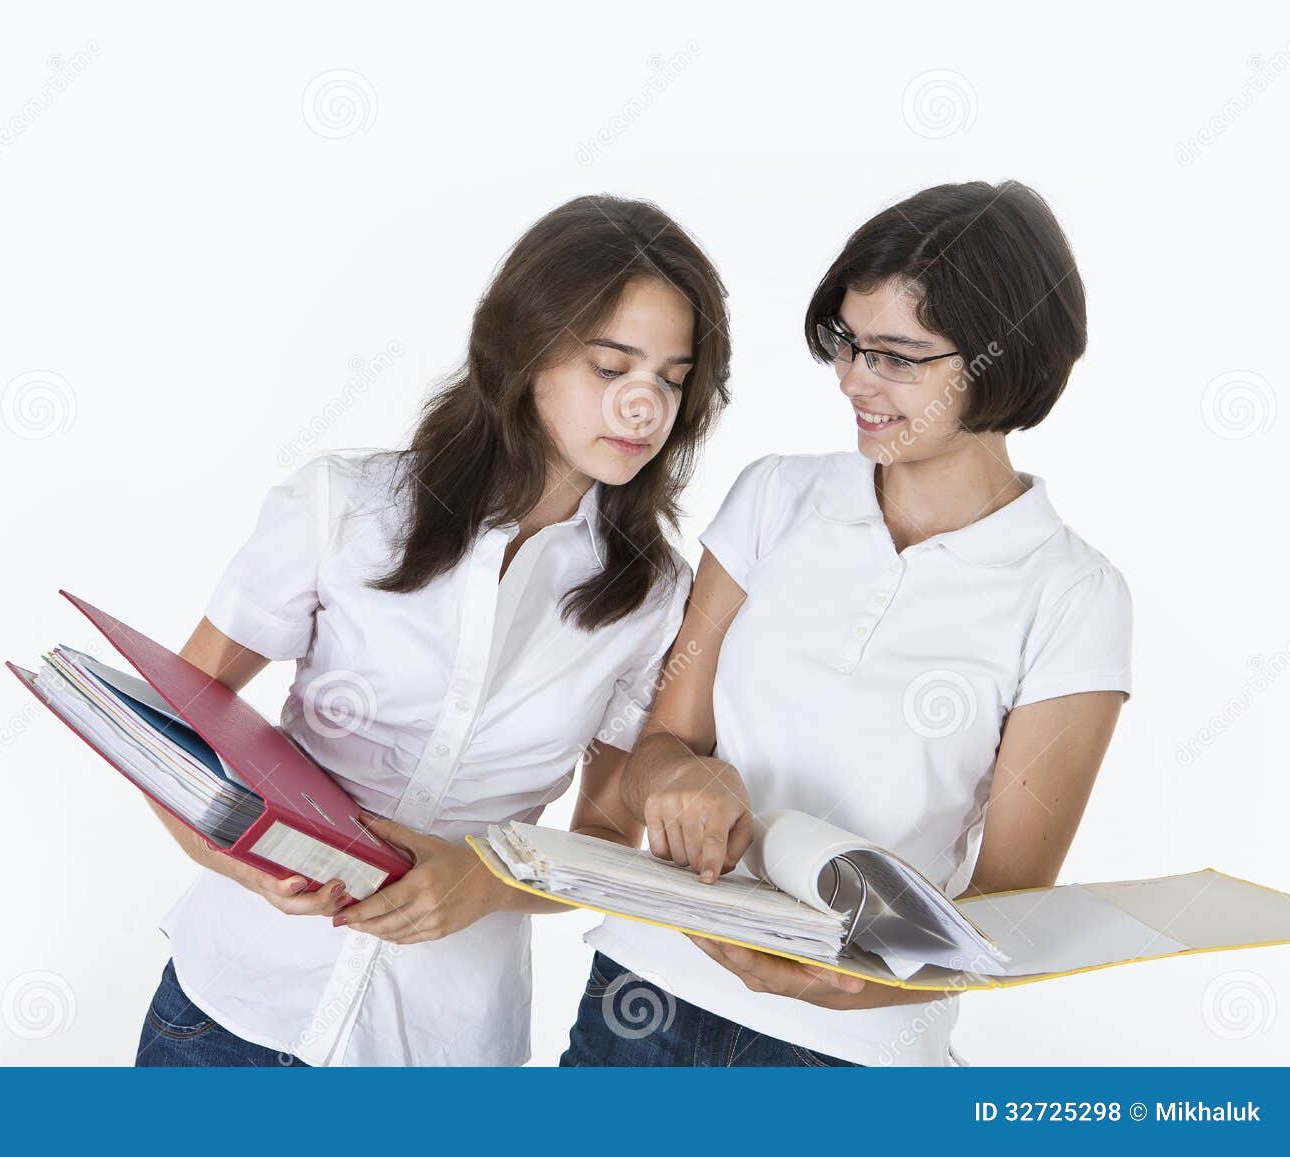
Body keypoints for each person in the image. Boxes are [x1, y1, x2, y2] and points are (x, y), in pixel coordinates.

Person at [133, 194, 732, 1066]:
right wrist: (247, 868)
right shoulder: (347, 506)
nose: (645, 405)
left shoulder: (649, 596)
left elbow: (605, 844)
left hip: (443, 1050)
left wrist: (488, 882)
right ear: (525, 351)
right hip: (231, 1014)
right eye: (611, 367)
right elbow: (166, 731)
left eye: (672, 379)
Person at [562, 180, 1132, 1068]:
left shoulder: (1073, 594)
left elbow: (1012, 906)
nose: (854, 381)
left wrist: (868, 981)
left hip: (852, 1055)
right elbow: (663, 741)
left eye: (898, 357)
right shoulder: (776, 497)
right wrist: (680, 781)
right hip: (646, 1000)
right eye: (847, 343)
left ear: (1003, 357)